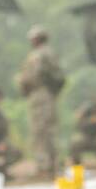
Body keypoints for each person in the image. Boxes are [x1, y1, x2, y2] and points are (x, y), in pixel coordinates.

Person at [15, 25, 65, 177]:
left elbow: (33, 77)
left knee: (40, 129)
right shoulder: (47, 54)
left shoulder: (40, 55)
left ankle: (44, 164)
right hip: (44, 94)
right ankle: (51, 162)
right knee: (46, 129)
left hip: (40, 93)